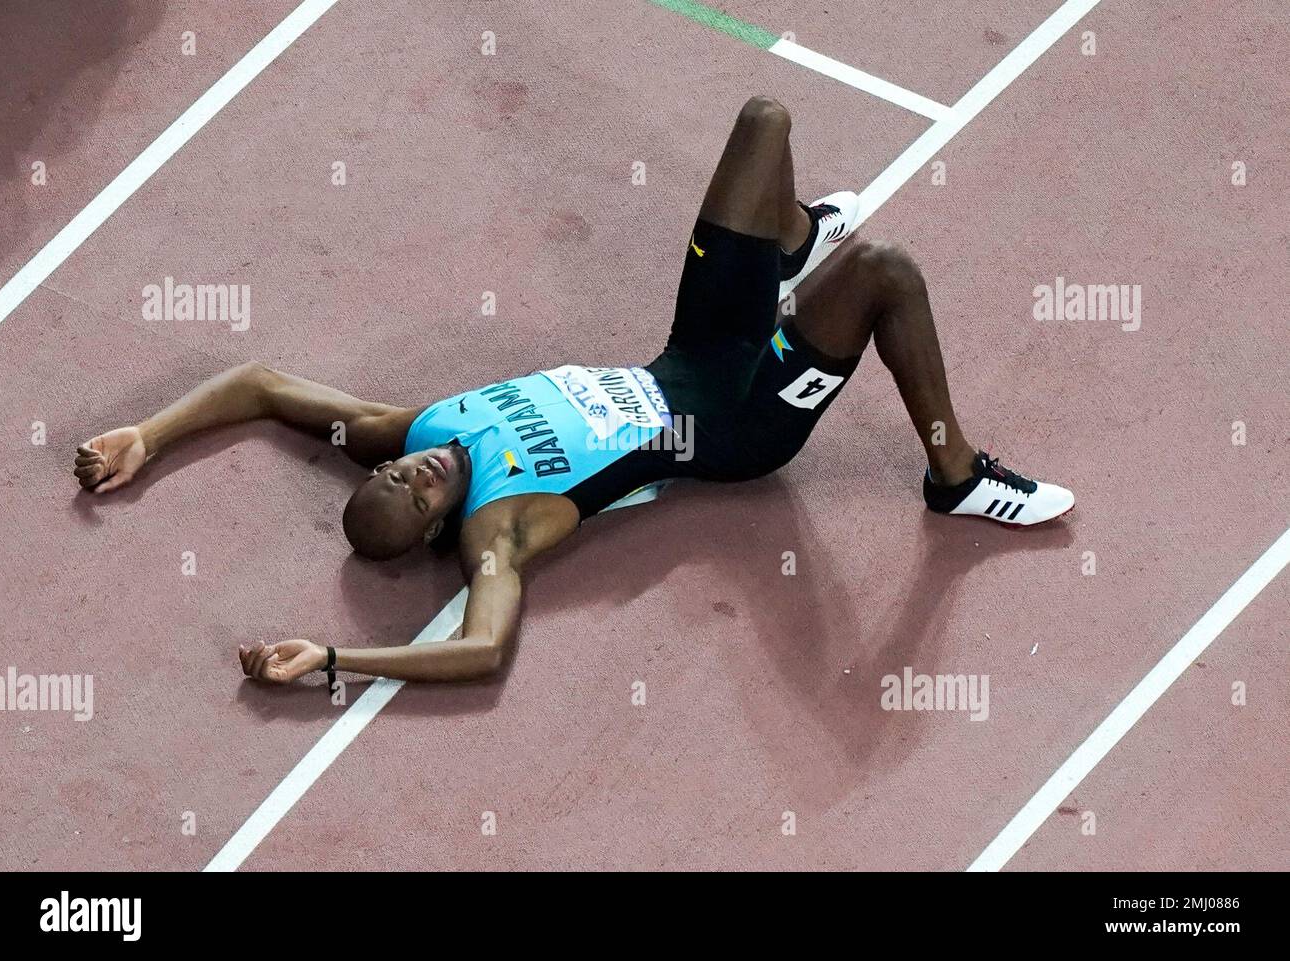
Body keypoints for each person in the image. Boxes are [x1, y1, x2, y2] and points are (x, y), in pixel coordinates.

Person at [74, 96, 1074, 687]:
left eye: (400, 473)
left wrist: (145, 437)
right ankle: (953, 474)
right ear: (437, 528)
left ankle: (790, 245)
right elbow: (482, 645)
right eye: (422, 494)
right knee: (888, 271)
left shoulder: (409, 426)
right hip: (739, 420)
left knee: (763, 123)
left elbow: (259, 385)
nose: (421, 471)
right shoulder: (499, 526)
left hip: (691, 348)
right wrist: (339, 660)